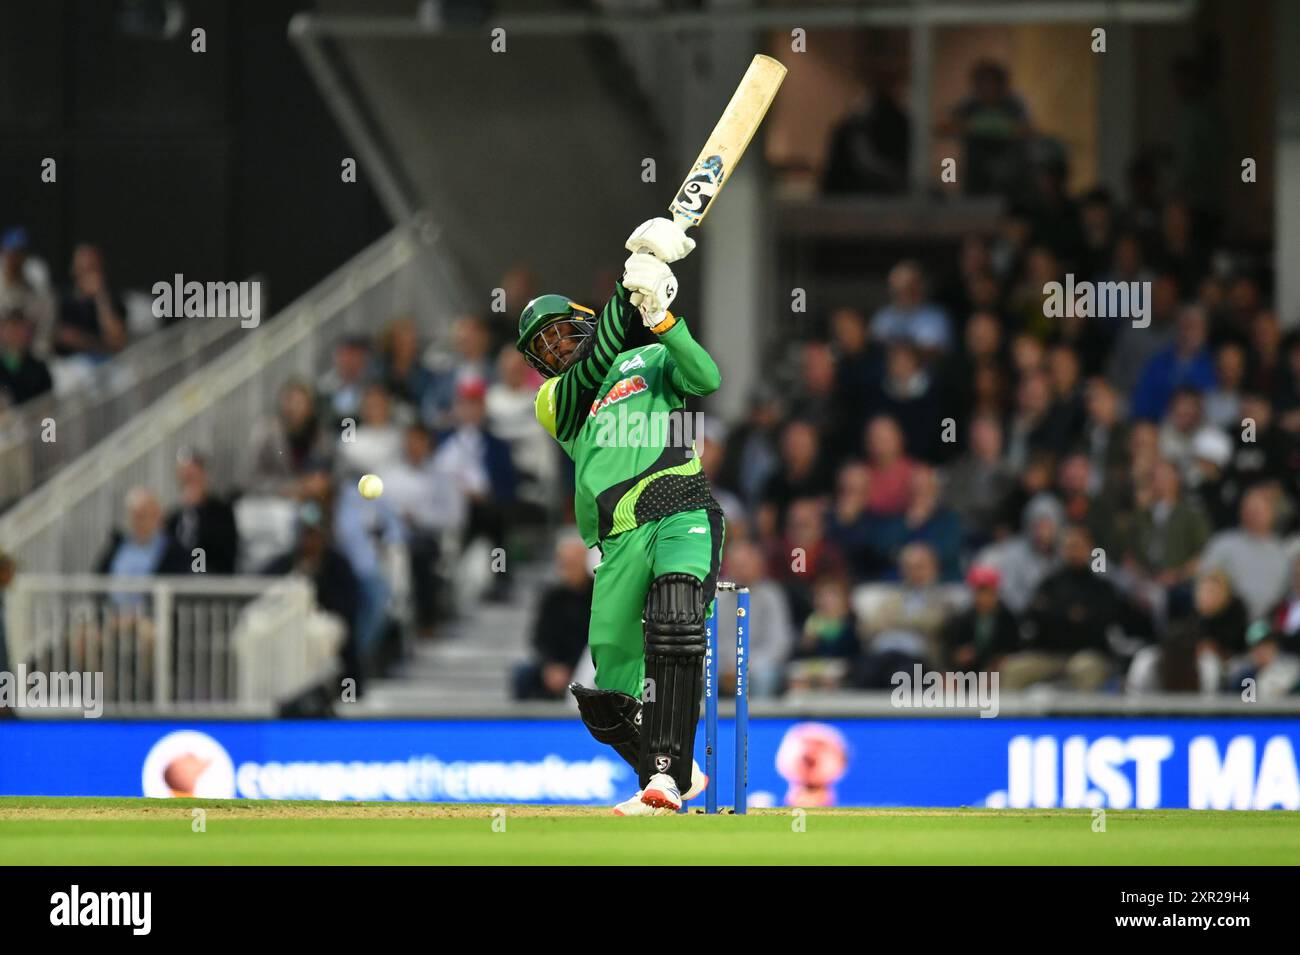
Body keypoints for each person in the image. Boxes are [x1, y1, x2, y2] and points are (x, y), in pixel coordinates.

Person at [517, 216, 722, 815]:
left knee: (677, 614)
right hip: (618, 538)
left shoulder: (653, 357)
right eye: (543, 348)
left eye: (560, 332)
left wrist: (660, 314)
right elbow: (601, 352)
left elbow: (707, 378)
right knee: (606, 701)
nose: (556, 348)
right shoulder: (555, 400)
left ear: (582, 319)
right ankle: (678, 772)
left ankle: (661, 779)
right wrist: (634, 272)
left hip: (681, 505)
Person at [513, 536, 594, 700]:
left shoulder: (599, 593)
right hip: (555, 664)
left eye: (574, 562)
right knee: (522, 673)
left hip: (588, 663)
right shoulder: (551, 597)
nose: (569, 568)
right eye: (566, 563)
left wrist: (572, 667)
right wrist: (550, 666)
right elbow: (539, 638)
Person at [166, 450, 239, 575]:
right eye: (184, 480)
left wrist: (197, 511)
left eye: (191, 477)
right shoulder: (175, 517)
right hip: (179, 580)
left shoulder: (221, 511)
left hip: (211, 578)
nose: (188, 485)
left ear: (204, 476)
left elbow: (223, 550)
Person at [0, 309, 53, 407]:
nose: (16, 335)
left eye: (20, 330)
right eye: (12, 330)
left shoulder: (39, 368)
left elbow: (47, 403)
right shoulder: (2, 365)